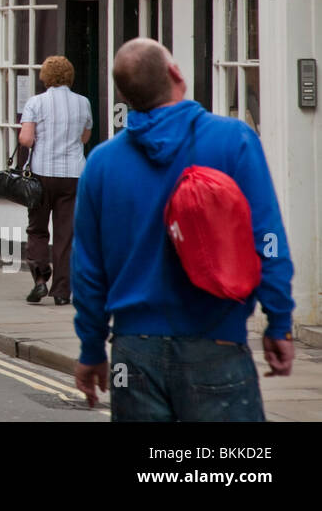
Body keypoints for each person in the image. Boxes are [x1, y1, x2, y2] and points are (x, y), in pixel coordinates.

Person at [72, 38, 294, 420]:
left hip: (131, 355)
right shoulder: (235, 141)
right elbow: (268, 240)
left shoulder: (101, 164)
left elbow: (87, 272)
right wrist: (279, 322)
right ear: (176, 74)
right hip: (218, 341)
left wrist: (92, 349)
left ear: (124, 95)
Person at [19, 55, 92, 306]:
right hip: (73, 174)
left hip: (42, 173)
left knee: (38, 229)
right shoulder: (83, 103)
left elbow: (26, 139)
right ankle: (62, 291)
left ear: (46, 77)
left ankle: (40, 280)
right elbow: (84, 137)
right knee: (66, 234)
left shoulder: (36, 103)